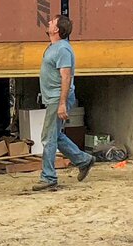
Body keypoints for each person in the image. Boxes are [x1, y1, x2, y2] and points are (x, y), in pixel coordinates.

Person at [32, 14, 95, 191]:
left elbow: (66, 77)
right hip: (52, 98)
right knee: (56, 136)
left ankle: (49, 177)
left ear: (57, 29)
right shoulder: (52, 47)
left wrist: (61, 103)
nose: (49, 22)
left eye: (52, 22)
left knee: (48, 138)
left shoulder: (63, 50)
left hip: (57, 99)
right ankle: (84, 160)